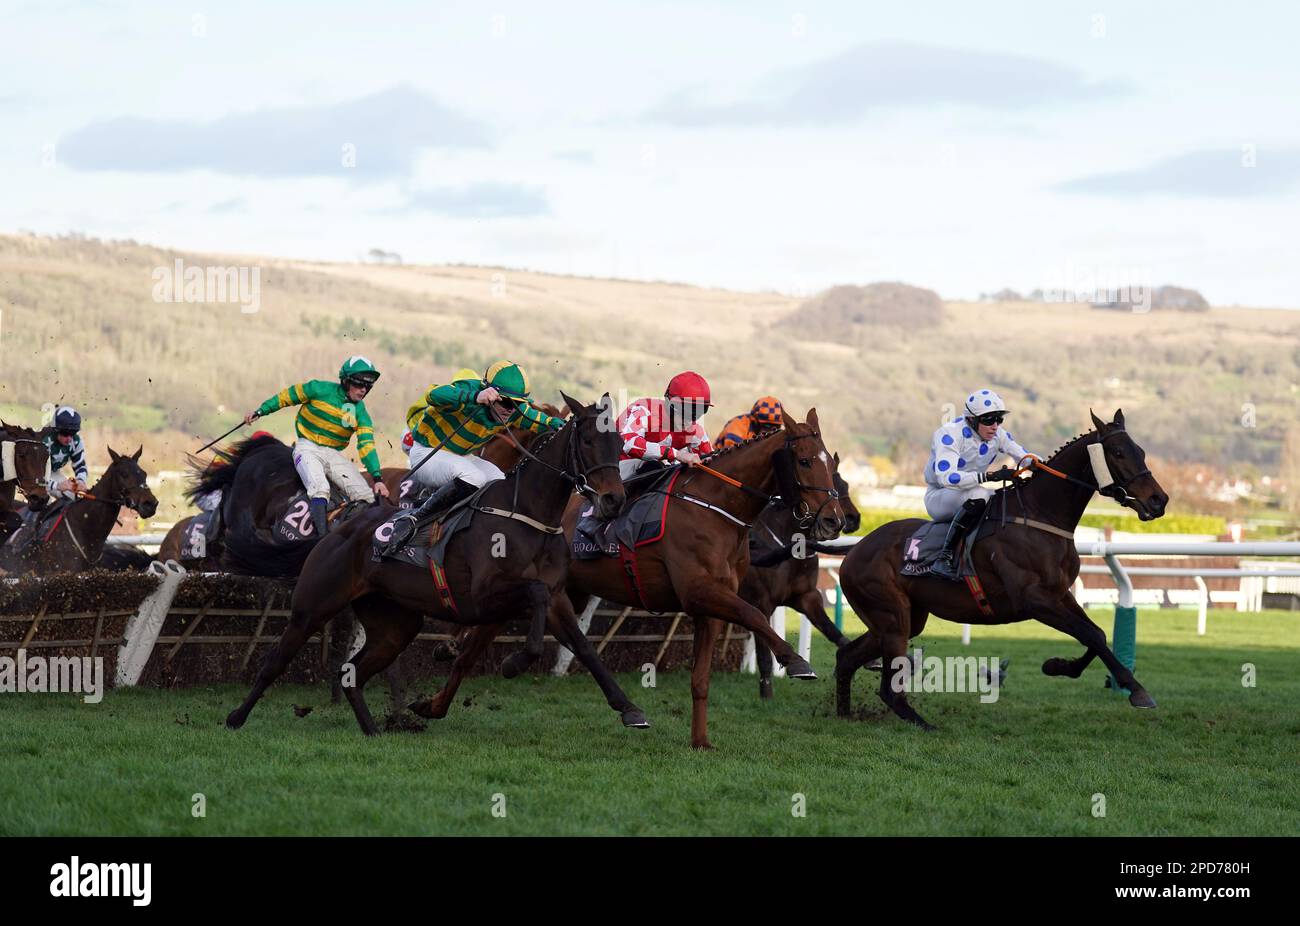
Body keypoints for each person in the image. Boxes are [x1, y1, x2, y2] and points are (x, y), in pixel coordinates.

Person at [382, 360, 563, 551]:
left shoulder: (515, 411)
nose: (511, 409)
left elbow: (540, 420)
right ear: (491, 393)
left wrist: (562, 424)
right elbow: (432, 394)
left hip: (462, 457)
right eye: (506, 401)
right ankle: (412, 521)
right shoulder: (469, 389)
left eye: (517, 403)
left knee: (499, 480)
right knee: (474, 477)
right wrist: (475, 396)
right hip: (427, 452)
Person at [243, 356, 389, 536]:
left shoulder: (361, 412)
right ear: (346, 381)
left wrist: (377, 478)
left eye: (368, 387)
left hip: (333, 453)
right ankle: (321, 538)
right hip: (307, 447)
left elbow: (367, 445)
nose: (363, 390)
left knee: (365, 495)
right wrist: (261, 410)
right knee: (320, 488)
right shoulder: (318, 389)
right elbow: (286, 397)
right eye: (359, 385)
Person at [924, 388, 1038, 580]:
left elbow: (1027, 458)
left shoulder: (999, 435)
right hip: (940, 495)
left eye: (999, 419)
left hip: (970, 492)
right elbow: (947, 478)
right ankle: (944, 557)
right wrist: (989, 476)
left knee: (1006, 498)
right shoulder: (949, 434)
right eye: (989, 420)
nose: (995, 426)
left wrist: (1048, 469)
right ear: (971, 419)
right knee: (980, 494)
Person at [616, 371, 714, 480]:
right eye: (686, 410)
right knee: (655, 466)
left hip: (649, 471)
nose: (690, 419)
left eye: (699, 411)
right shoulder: (643, 409)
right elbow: (629, 444)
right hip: (614, 469)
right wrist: (677, 454)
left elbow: (712, 459)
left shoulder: (695, 431)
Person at [43, 406, 89, 501]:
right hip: (36, 474)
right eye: (65, 433)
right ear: (56, 430)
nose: (69, 439)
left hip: (53, 472)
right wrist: (57, 485)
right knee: (44, 500)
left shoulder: (76, 441)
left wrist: (81, 481)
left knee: (73, 495)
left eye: (72, 433)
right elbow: (35, 476)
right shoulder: (43, 441)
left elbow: (80, 465)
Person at [714, 395, 783, 449]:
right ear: (754, 420)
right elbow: (735, 459)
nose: (771, 431)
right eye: (767, 426)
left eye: (776, 427)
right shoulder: (737, 427)